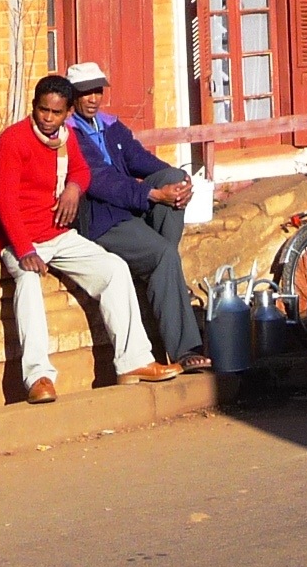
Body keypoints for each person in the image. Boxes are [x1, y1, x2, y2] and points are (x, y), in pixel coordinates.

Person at [0, 75, 180, 403]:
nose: (48, 119)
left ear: (67, 113)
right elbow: (4, 202)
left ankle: (133, 361)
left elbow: (81, 171)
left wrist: (74, 188)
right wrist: (24, 250)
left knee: (114, 269)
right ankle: (38, 378)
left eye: (56, 112)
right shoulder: (13, 140)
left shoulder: (66, 138)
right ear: (34, 107)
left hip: (58, 234)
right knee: (30, 283)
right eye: (42, 111)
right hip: (18, 239)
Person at [65, 63, 209, 370]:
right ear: (73, 96)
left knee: (171, 174)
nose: (92, 98)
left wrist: (180, 184)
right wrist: (153, 195)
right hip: (101, 220)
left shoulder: (111, 126)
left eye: (97, 91)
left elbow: (142, 160)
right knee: (164, 256)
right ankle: (184, 349)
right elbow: (101, 181)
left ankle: (158, 270)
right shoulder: (69, 134)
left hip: (128, 213)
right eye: (84, 92)